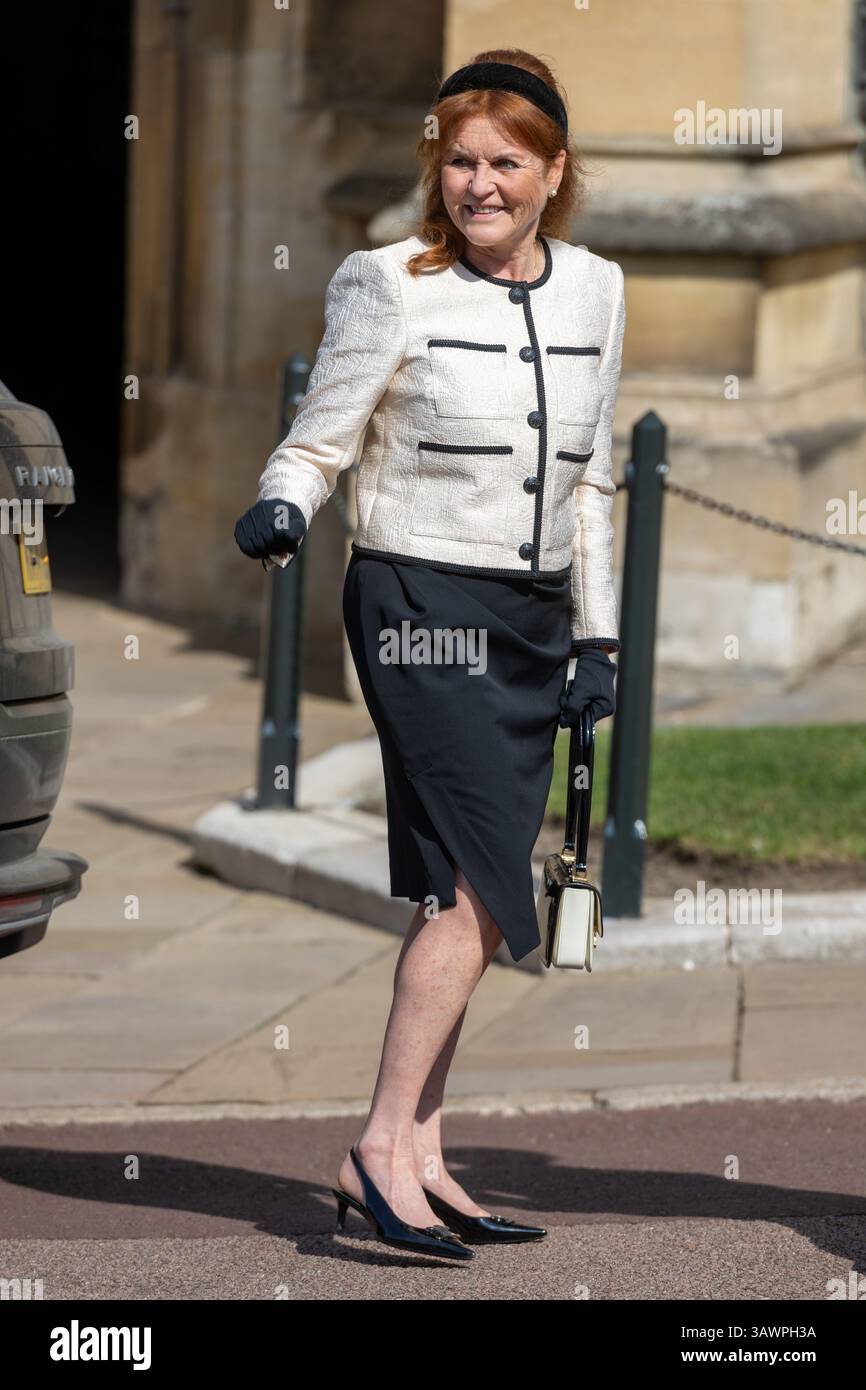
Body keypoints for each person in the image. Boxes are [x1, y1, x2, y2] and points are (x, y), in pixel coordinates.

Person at [234, 48, 626, 1261]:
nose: (478, 183)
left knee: (467, 879)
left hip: (530, 617)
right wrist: (281, 504)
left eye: (506, 161)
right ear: (434, 166)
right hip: (416, 602)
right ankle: (375, 1142)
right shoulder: (385, 281)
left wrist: (598, 633)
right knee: (479, 889)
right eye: (458, 158)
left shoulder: (599, 289)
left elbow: (593, 476)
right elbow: (319, 436)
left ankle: (422, 1158)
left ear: (552, 172)